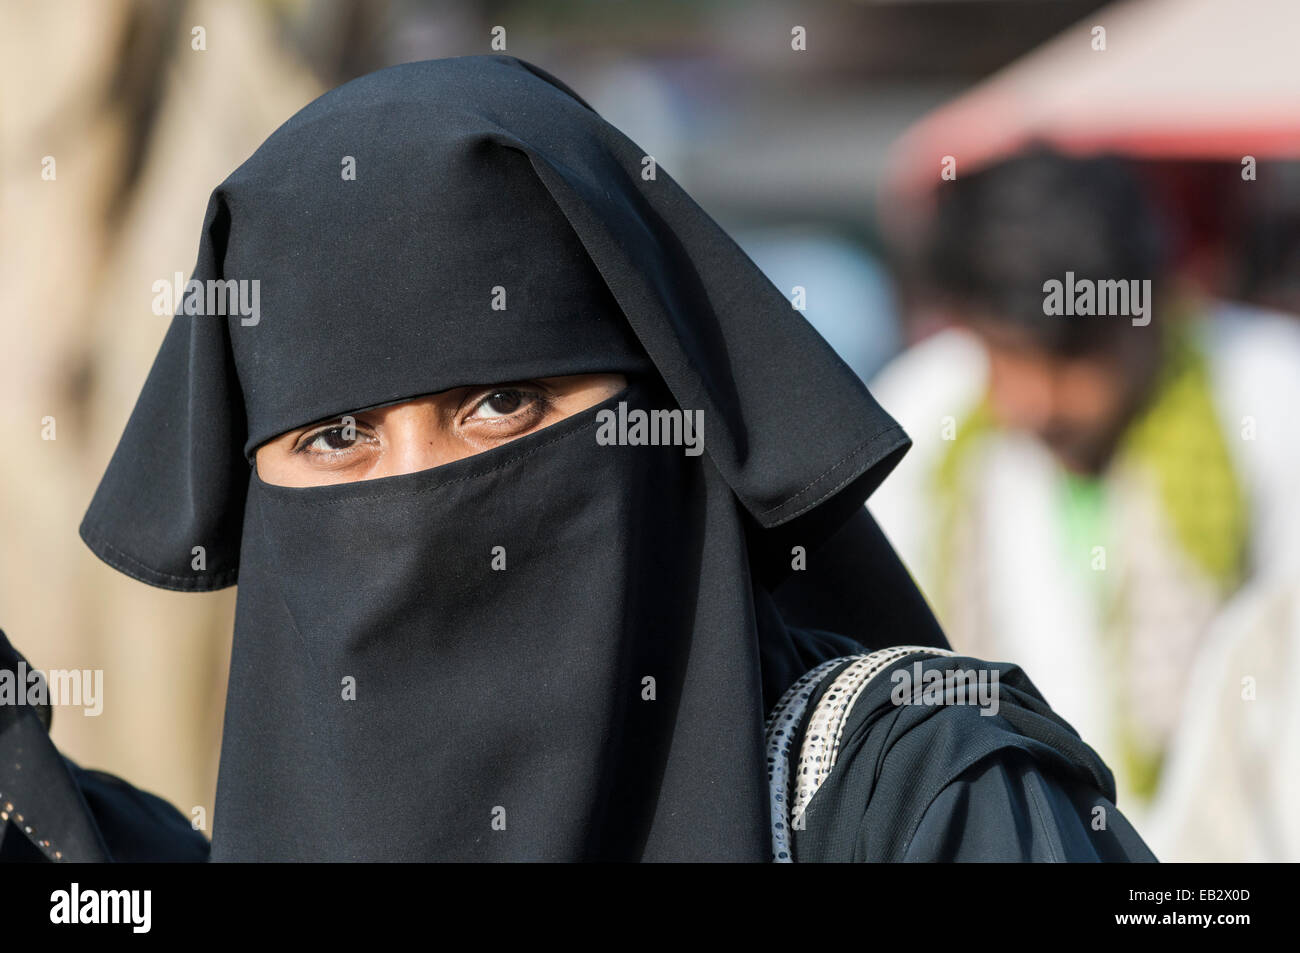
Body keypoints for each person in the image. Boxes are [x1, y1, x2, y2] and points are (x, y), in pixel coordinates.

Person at [4, 56, 1153, 862]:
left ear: (662, 411)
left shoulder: (920, 804)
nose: (417, 489)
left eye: (501, 405)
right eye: (336, 436)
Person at [869, 148, 1300, 838]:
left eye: (1075, 356)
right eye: (1010, 355)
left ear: (1149, 304)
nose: (1041, 400)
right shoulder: (921, 423)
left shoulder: (1269, 394)